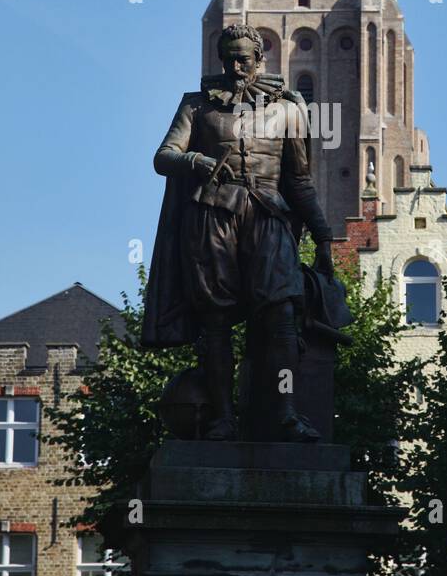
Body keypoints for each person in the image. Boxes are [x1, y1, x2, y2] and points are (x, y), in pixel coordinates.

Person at [142, 23, 334, 441]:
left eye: (243, 58)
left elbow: (300, 181)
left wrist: (322, 236)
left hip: (269, 216)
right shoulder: (197, 106)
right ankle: (223, 419)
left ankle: (285, 412)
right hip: (212, 218)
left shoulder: (289, 108)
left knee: (282, 314)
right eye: (227, 57)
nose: (234, 65)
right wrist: (195, 161)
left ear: (259, 58)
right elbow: (163, 157)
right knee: (216, 321)